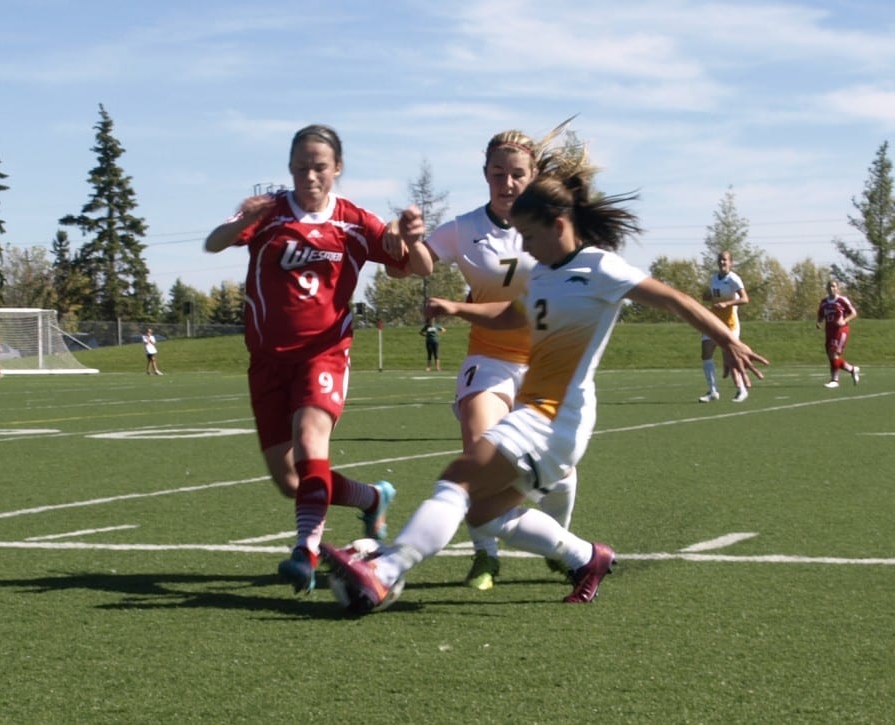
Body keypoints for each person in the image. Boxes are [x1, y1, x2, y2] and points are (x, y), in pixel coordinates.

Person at [323, 135, 769, 614]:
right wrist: (456, 306)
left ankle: (384, 572)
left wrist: (728, 339)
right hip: (547, 417)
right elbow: (512, 316)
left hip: (554, 418)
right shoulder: (548, 273)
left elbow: (673, 299)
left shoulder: (601, 267)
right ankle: (585, 557)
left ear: (558, 225)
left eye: (530, 237)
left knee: (460, 478)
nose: (524, 248)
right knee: (482, 514)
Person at [203, 123, 431, 595]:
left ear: (338, 169)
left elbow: (418, 268)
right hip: (266, 362)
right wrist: (237, 220)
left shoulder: (354, 220)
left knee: (311, 443)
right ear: (290, 168)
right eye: (302, 166)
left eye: (320, 167)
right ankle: (371, 498)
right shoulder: (268, 215)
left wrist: (408, 237)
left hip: (323, 354)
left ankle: (305, 552)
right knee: (291, 481)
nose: (310, 176)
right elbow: (214, 243)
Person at [419, 125, 579, 591]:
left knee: (560, 474)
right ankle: (485, 556)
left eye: (516, 175)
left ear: (532, 177)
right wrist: (405, 245)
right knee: (480, 457)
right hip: (487, 359)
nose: (506, 184)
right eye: (497, 174)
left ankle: (561, 545)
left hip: (546, 364)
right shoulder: (464, 229)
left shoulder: (558, 229)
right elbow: (415, 263)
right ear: (484, 174)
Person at [698, 250, 749, 403]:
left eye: (725, 260)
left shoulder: (734, 279)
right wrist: (708, 297)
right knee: (706, 352)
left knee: (730, 357)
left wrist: (727, 303)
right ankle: (712, 391)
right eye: (720, 260)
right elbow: (712, 296)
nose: (722, 262)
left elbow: (745, 299)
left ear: (730, 262)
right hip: (714, 321)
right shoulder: (714, 278)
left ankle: (741, 389)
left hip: (730, 323)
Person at [816, 280, 861, 388]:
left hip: (841, 330)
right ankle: (852, 369)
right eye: (829, 286)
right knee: (831, 356)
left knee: (833, 353)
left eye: (833, 286)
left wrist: (844, 321)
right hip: (829, 330)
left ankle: (835, 381)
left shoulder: (842, 300)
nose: (831, 288)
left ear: (837, 288)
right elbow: (821, 314)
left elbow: (854, 313)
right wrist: (819, 321)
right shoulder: (824, 302)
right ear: (826, 288)